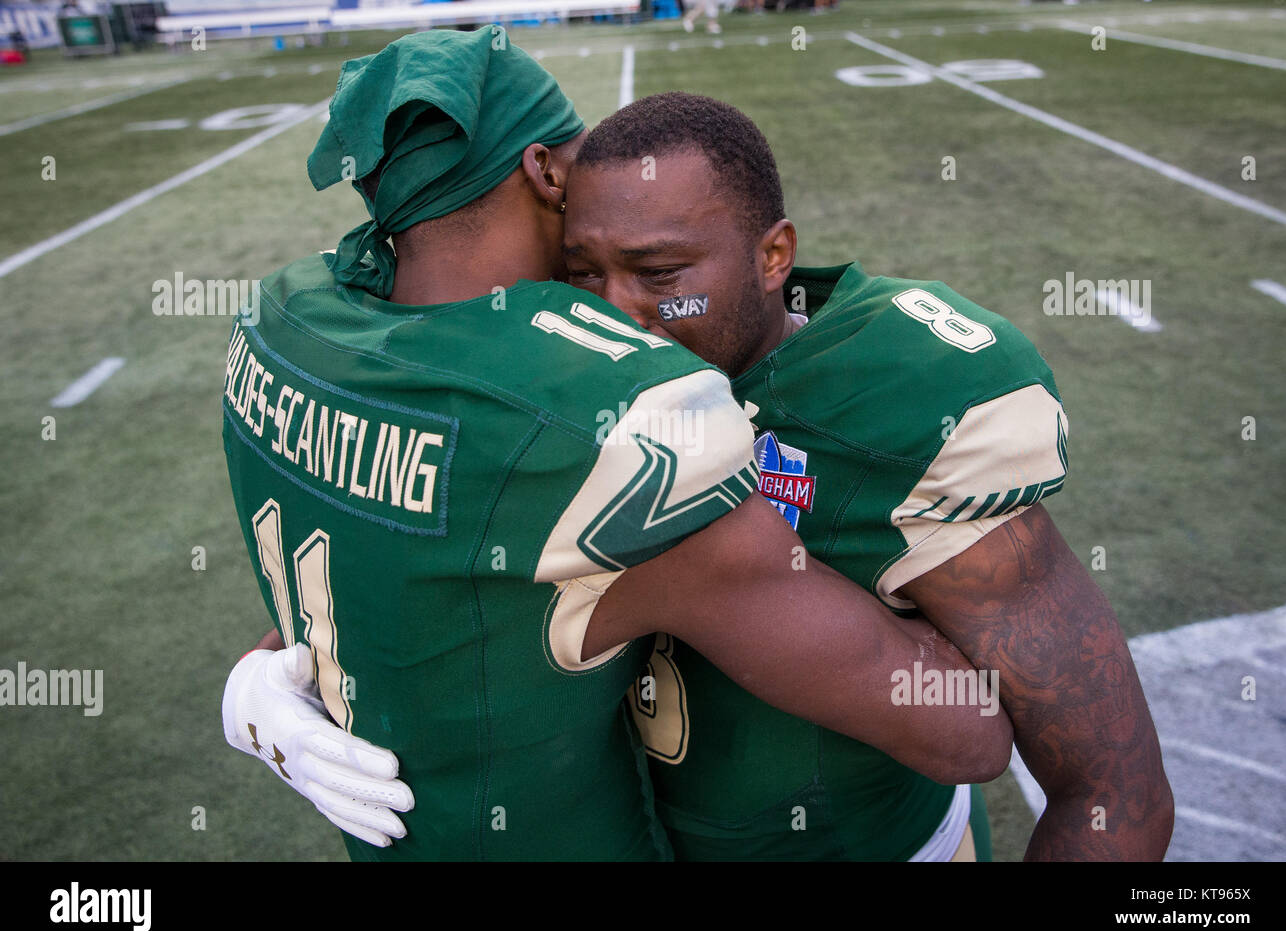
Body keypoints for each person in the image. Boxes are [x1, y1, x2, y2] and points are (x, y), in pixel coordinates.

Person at [221, 29, 1011, 861]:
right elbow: (969, 736)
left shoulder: (286, 321)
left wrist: (250, 689)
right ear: (544, 172)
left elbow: (384, 553)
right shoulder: (598, 419)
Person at [558, 92, 1173, 860]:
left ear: (773, 256)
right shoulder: (563, 371)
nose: (613, 313)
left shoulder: (897, 402)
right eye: (583, 273)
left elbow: (1113, 790)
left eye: (658, 272)